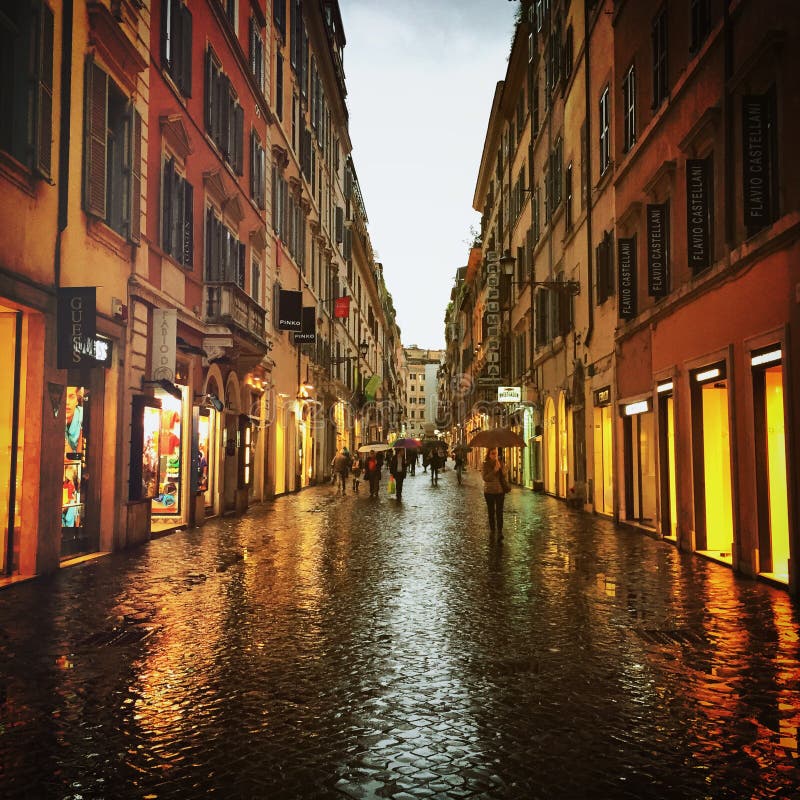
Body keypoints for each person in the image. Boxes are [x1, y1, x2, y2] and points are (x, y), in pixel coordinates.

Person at [482, 447, 508, 538]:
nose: (494, 455)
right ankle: (492, 530)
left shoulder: (501, 462)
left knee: (499, 512)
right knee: (491, 512)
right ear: (489, 455)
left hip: (500, 491)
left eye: (496, 453)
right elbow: (485, 478)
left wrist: (501, 468)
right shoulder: (485, 464)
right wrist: (494, 471)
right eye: (493, 453)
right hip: (489, 492)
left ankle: (500, 531)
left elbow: (505, 475)